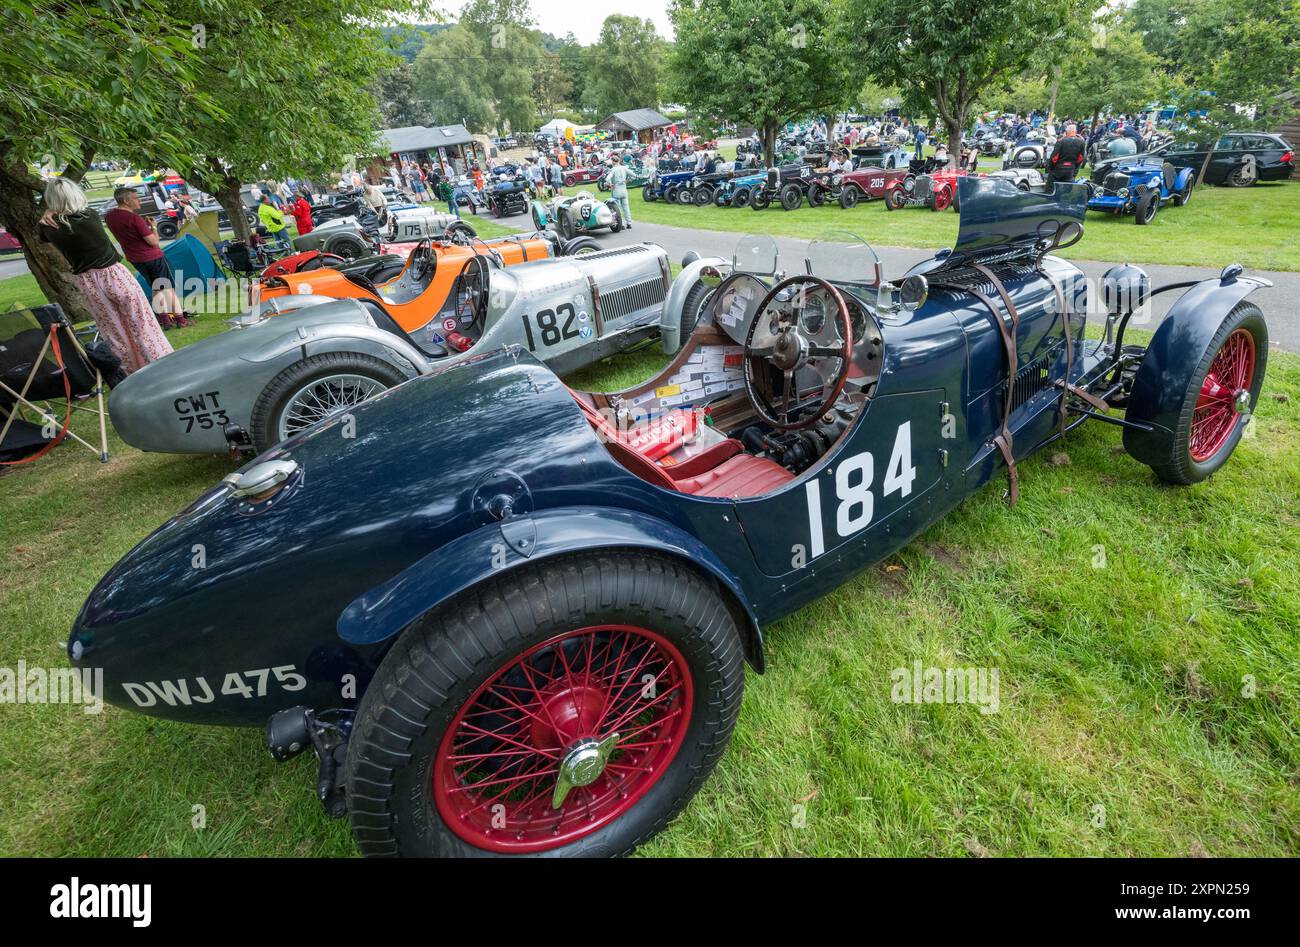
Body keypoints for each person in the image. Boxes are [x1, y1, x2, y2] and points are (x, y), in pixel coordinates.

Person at [38, 178, 173, 373]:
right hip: (114, 274)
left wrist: (49, 211)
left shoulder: (47, 227)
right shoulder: (90, 215)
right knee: (143, 324)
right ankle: (163, 364)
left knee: (114, 333)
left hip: (87, 281)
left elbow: (43, 232)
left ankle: (131, 373)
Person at [104, 186, 191, 329]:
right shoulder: (134, 218)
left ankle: (165, 319)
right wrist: (153, 227)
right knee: (168, 288)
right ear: (126, 201)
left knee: (156, 287)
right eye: (136, 198)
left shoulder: (110, 217)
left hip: (135, 259)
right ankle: (181, 320)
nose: (140, 201)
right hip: (153, 257)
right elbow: (154, 242)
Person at [607, 153, 631, 229]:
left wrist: (610, 184)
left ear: (613, 162)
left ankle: (622, 224)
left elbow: (607, 179)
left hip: (616, 190)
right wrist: (628, 180)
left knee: (618, 209)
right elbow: (633, 175)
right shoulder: (624, 168)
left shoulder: (613, 169)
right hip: (624, 189)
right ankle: (629, 223)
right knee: (626, 207)